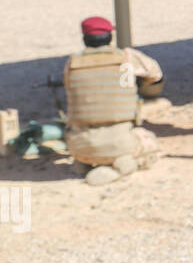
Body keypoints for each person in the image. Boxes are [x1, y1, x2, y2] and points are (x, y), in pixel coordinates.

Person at [62, 16, 164, 185]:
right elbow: (155, 74)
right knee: (150, 142)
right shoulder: (126, 58)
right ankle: (123, 166)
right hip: (121, 143)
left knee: (88, 147)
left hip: (78, 145)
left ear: (84, 39)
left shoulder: (72, 63)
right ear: (110, 36)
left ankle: (84, 164)